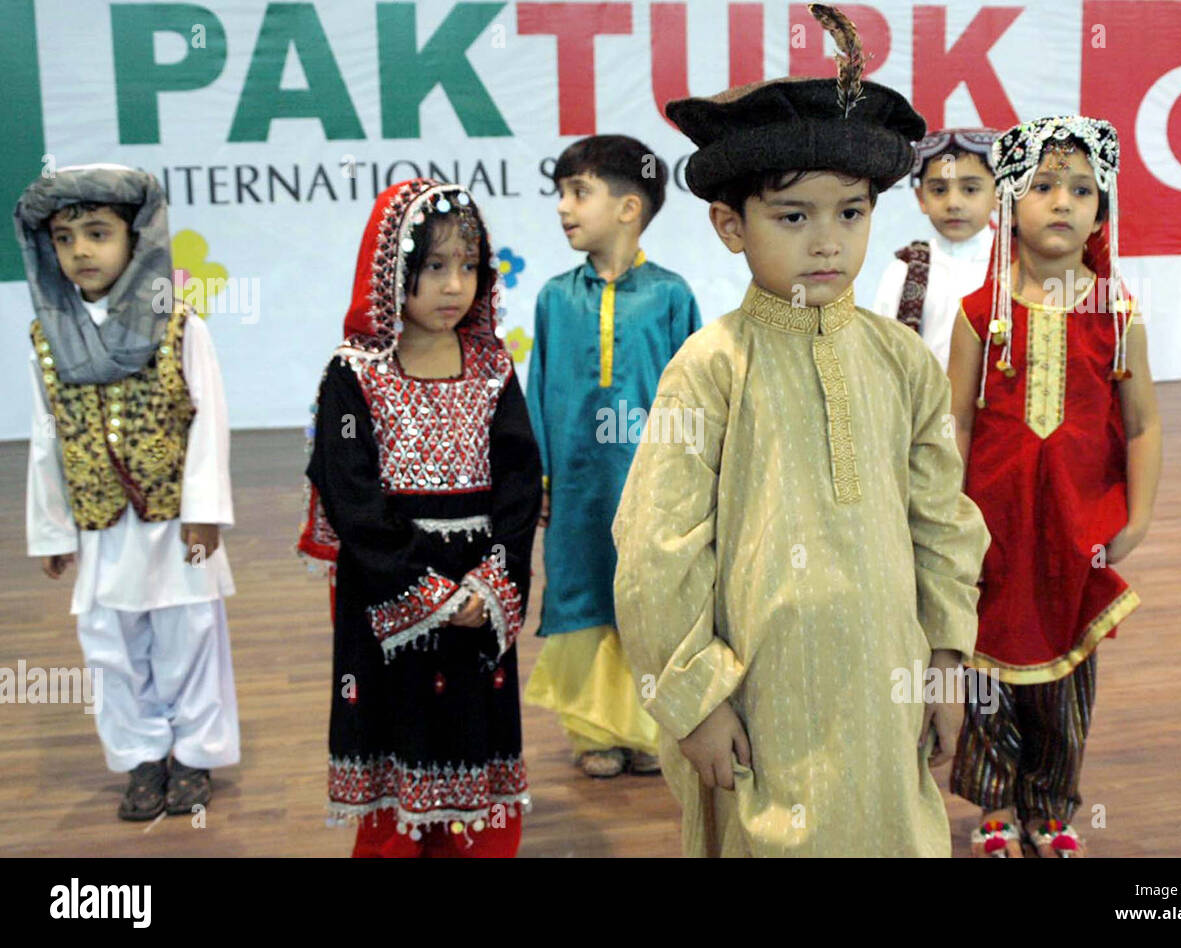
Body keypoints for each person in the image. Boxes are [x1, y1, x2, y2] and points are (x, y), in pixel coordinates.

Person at [610, 5, 990, 856]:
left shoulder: (901, 362)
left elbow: (943, 525)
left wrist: (946, 662)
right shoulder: (711, 367)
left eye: (850, 214)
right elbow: (655, 550)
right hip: (759, 696)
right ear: (730, 225)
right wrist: (695, 699)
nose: (828, 242)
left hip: (885, 684)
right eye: (794, 218)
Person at [297, 179, 541, 857]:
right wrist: (429, 593)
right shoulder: (355, 374)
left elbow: (519, 485)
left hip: (479, 597)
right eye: (434, 266)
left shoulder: (493, 366)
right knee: (395, 735)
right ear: (392, 272)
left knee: (473, 733)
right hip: (389, 596)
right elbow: (353, 500)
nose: (453, 285)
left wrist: (491, 586)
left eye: (467, 267)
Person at [946, 116, 1162, 858]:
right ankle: (996, 806)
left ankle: (1052, 805)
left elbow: (1142, 427)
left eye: (1080, 189)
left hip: (1078, 532)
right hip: (995, 532)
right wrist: (951, 517)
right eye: (1042, 186)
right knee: (988, 675)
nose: (1062, 202)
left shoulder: (1118, 314)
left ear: (1102, 212)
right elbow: (956, 426)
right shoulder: (981, 316)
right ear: (1010, 203)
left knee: (1066, 679)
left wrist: (1136, 517)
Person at [18, 164, 239, 821]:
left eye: (97, 233)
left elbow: (210, 419)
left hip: (174, 525)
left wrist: (205, 513)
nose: (81, 251)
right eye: (64, 238)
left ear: (136, 238)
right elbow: (44, 437)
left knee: (188, 634)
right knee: (110, 647)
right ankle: (142, 757)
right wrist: (54, 529)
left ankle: (194, 753)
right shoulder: (47, 338)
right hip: (101, 526)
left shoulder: (177, 324)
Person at [523, 135, 701, 778]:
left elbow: (695, 396)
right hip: (575, 486)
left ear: (630, 208)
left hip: (649, 483)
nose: (564, 209)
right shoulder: (552, 298)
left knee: (647, 596)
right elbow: (537, 391)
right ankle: (595, 729)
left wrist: (692, 478)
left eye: (579, 193)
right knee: (583, 591)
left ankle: (652, 729)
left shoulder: (671, 296)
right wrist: (537, 475)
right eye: (561, 194)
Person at [871, 128, 999, 369]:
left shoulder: (1014, 266)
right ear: (921, 198)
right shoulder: (904, 271)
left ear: (997, 194)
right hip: (922, 405)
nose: (953, 203)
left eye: (970, 189)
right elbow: (882, 358)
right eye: (939, 190)